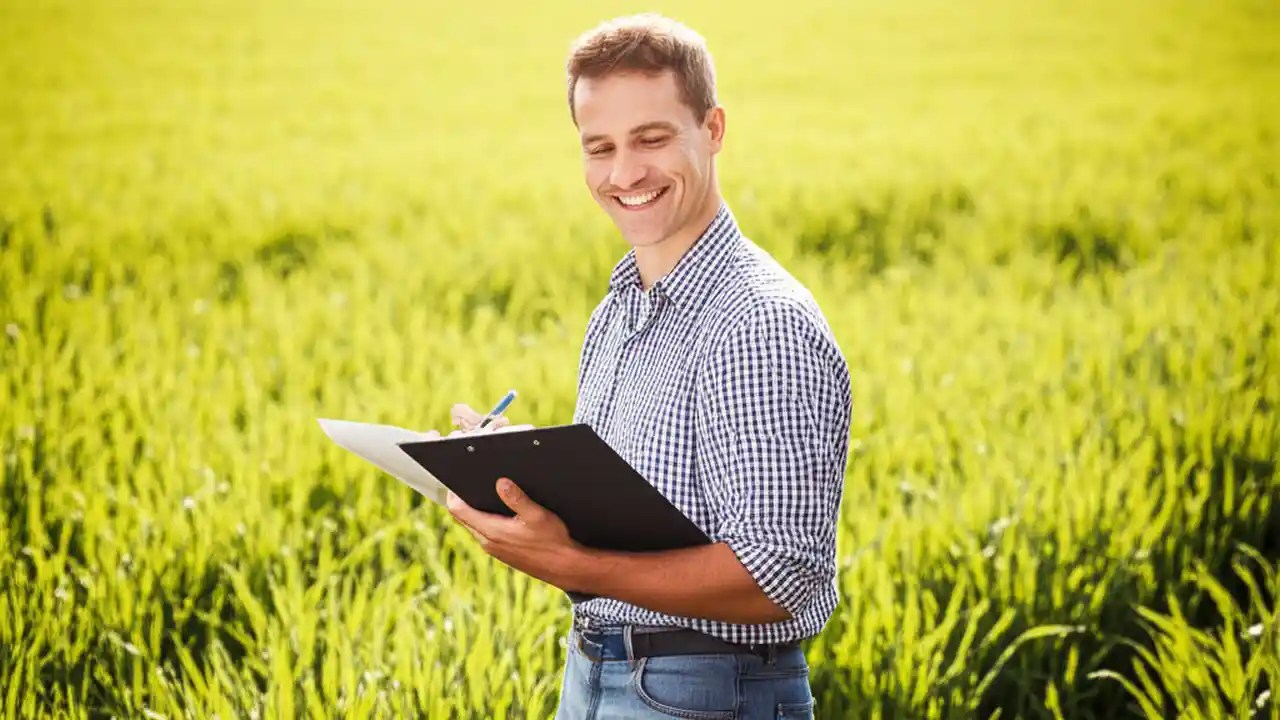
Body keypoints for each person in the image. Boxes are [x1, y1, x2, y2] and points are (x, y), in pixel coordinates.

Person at [440, 13, 853, 719]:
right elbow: (643, 512)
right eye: (599, 147)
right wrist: (524, 473)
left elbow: (779, 572)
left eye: (651, 139)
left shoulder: (759, 322)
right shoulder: (619, 310)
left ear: (714, 129)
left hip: (708, 694)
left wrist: (575, 565)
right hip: (597, 676)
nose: (623, 173)